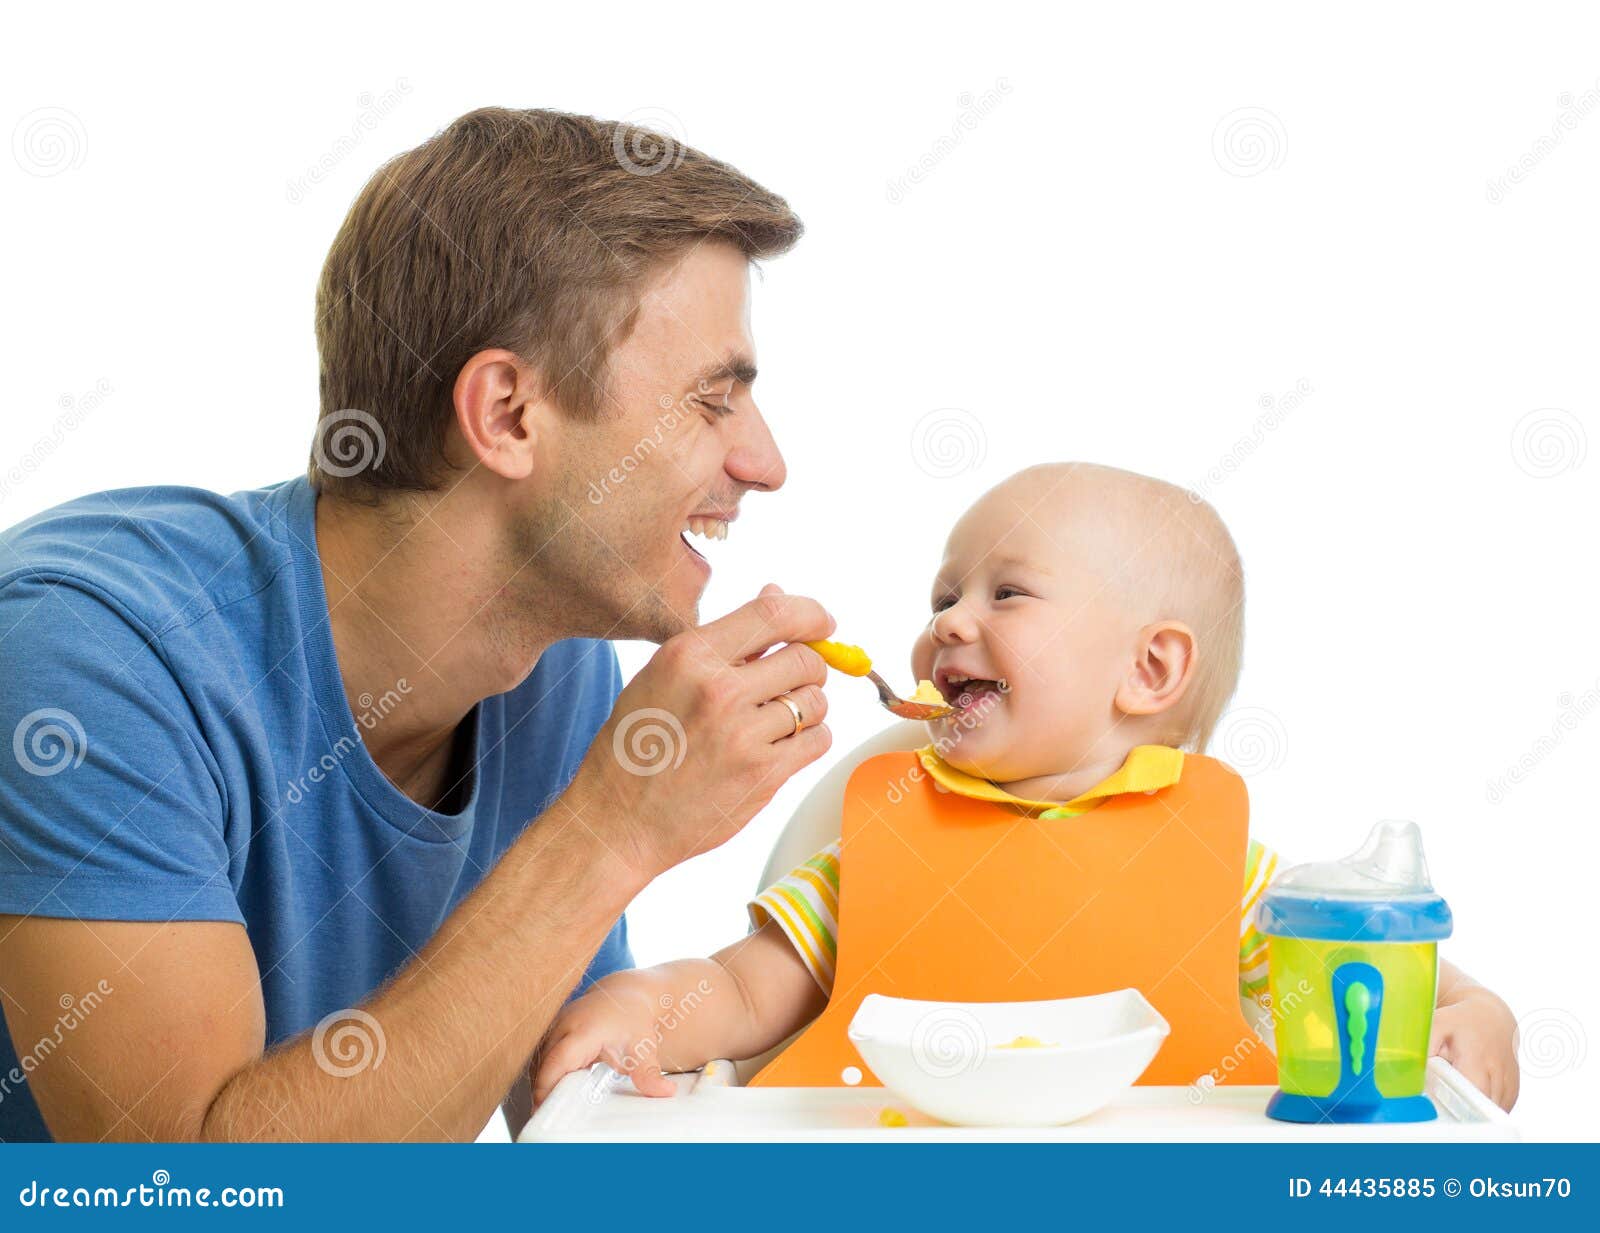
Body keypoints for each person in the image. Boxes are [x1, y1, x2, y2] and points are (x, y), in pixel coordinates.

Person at [0, 107, 838, 1141]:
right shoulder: (88, 653)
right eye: (712, 402)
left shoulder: (551, 663)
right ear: (507, 415)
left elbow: (565, 1102)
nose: (765, 463)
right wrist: (611, 827)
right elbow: (190, 1197)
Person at [535, 464, 1521, 1112]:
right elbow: (749, 986)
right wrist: (643, 1004)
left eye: (1004, 594)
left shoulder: (1226, 876)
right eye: (941, 598)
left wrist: (1465, 1012)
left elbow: (1352, 971)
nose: (948, 624)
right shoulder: (876, 849)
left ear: (1148, 671)